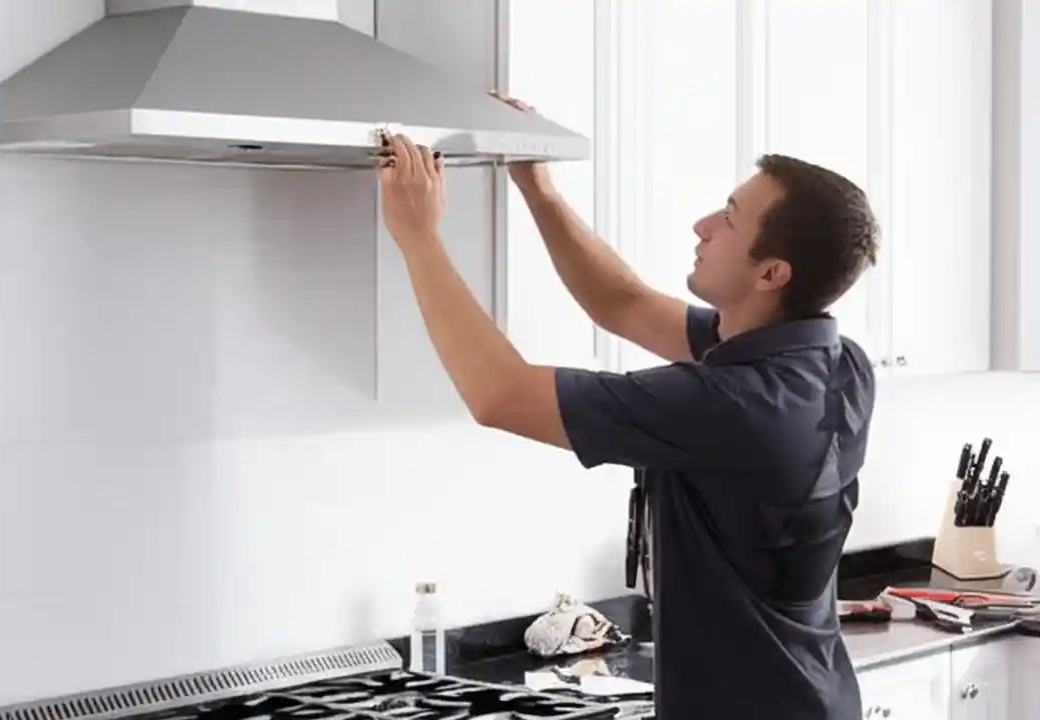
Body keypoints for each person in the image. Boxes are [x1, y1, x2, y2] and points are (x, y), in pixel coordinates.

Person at [375, 94, 879, 720]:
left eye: (728, 219)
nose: (702, 225)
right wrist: (538, 186)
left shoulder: (742, 407)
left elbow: (499, 394)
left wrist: (419, 236)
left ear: (771, 274)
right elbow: (624, 304)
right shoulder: (833, 362)